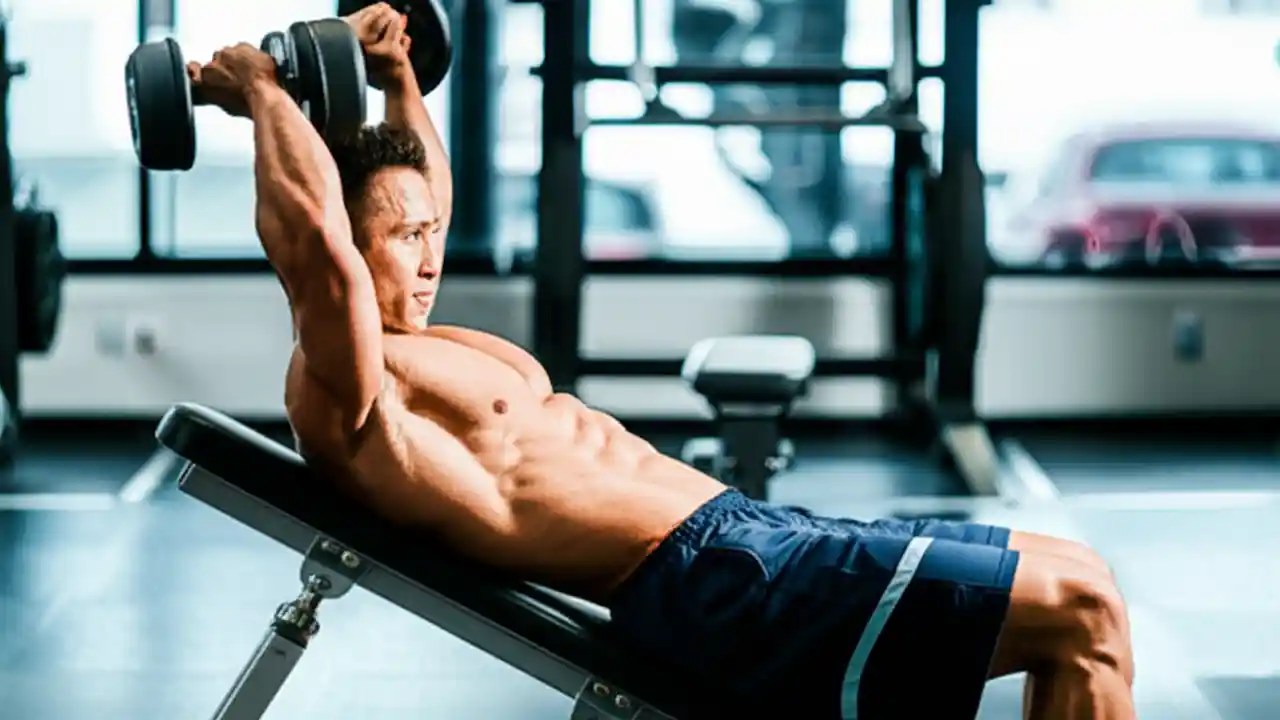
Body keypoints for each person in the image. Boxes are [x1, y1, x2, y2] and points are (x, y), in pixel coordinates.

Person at [190, 4, 1135, 718]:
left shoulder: (427, 349)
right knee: (1081, 611)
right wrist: (264, 93)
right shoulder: (348, 389)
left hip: (749, 538)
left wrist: (398, 74)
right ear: (350, 254)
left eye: (433, 233)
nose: (430, 254)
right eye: (405, 240)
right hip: (713, 588)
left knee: (1082, 578)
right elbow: (317, 245)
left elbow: (408, 195)